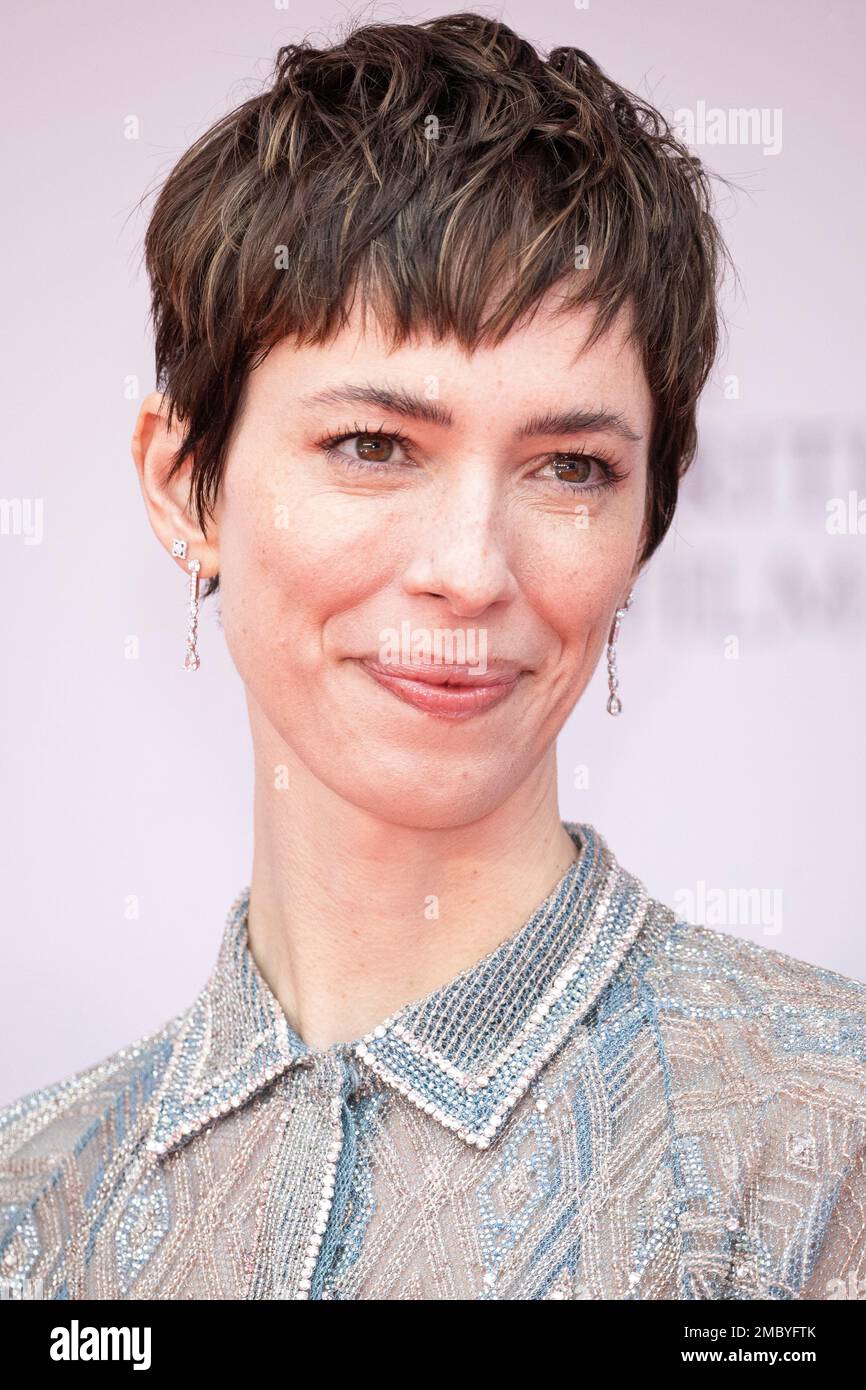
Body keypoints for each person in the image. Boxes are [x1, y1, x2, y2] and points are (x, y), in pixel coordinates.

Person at [2, 12, 865, 1302]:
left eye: (571, 469)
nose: (470, 567)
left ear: (646, 529)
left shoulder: (824, 1145)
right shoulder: (37, 1204)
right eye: (372, 445)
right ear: (188, 486)